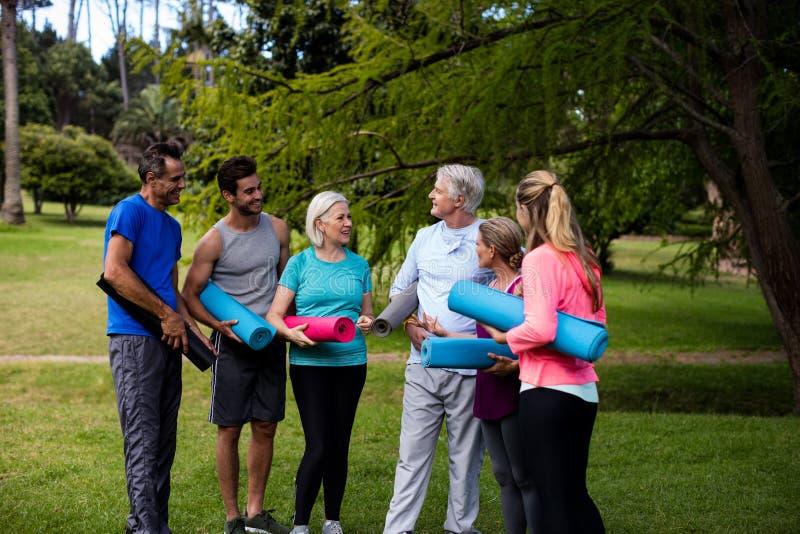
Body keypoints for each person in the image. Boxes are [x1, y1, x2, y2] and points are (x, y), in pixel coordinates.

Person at [484, 170, 606, 533]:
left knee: (552, 501)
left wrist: (506, 337)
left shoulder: (538, 259)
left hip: (546, 393)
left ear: (525, 210)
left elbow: (541, 328)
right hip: (584, 392)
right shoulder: (585, 258)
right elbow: (598, 325)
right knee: (574, 495)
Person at [103, 140, 212, 534]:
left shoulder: (172, 226)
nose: (182, 185)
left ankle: (150, 523)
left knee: (164, 441)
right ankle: (146, 528)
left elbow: (170, 287)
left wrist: (193, 330)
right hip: (135, 339)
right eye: (175, 179)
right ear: (151, 179)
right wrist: (166, 317)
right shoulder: (129, 211)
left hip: (169, 339)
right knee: (143, 439)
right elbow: (115, 271)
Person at [181, 156, 292, 534]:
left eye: (258, 187)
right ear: (229, 196)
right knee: (229, 429)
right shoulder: (214, 241)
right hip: (231, 345)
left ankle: (255, 511)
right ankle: (233, 518)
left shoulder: (278, 229)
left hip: (271, 342)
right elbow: (190, 293)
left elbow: (285, 285)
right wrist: (216, 326)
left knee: (266, 425)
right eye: (249, 191)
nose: (258, 195)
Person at [383, 164, 489, 534]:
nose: (431, 194)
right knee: (411, 455)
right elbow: (400, 289)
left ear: (459, 199)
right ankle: (398, 529)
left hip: (470, 366)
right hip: (423, 364)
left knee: (466, 458)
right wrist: (410, 324)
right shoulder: (424, 237)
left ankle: (460, 528)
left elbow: (516, 283)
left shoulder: (489, 236)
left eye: (438, 190)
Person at [420, 217, 540, 533]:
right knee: (502, 474)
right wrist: (445, 335)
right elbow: (483, 339)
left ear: (493, 249)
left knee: (524, 475)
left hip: (512, 387)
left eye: (478, 244)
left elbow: (530, 338)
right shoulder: (488, 289)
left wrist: (515, 363)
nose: (475, 250)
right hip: (486, 387)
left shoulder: (522, 288)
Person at [266, 191, 374, 534]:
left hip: (351, 363)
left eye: (349, 216)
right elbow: (274, 316)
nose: (348, 223)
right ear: (320, 223)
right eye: (341, 217)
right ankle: (301, 524)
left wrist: (367, 322)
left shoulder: (359, 266)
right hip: (309, 365)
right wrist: (292, 335)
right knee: (319, 445)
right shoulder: (299, 264)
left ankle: (332, 520)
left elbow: (367, 313)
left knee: (340, 443)